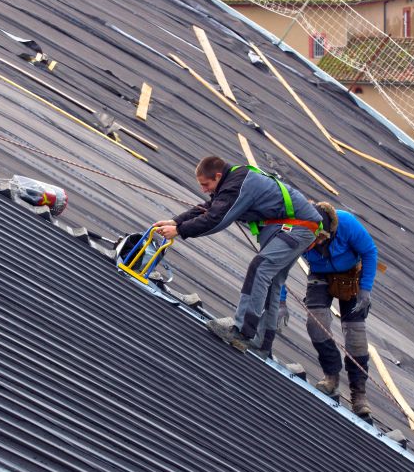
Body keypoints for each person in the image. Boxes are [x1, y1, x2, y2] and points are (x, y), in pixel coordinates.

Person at [154, 155, 319, 357]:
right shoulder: (234, 180)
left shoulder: (238, 185)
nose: (204, 190)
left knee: (260, 268)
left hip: (297, 228)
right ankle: (262, 343)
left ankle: (241, 332)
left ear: (218, 175)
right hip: (294, 227)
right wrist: (174, 221)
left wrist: (179, 230)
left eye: (206, 185)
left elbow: (216, 219)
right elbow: (209, 208)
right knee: (272, 280)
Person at [278, 202, 376, 418]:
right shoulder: (295, 229)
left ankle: (358, 395)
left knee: (356, 336)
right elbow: (280, 264)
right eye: (315, 239)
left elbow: (370, 252)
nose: (318, 243)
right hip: (320, 274)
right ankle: (331, 376)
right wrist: (281, 302)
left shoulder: (347, 223)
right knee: (316, 324)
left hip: (351, 276)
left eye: (322, 238)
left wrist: (365, 290)